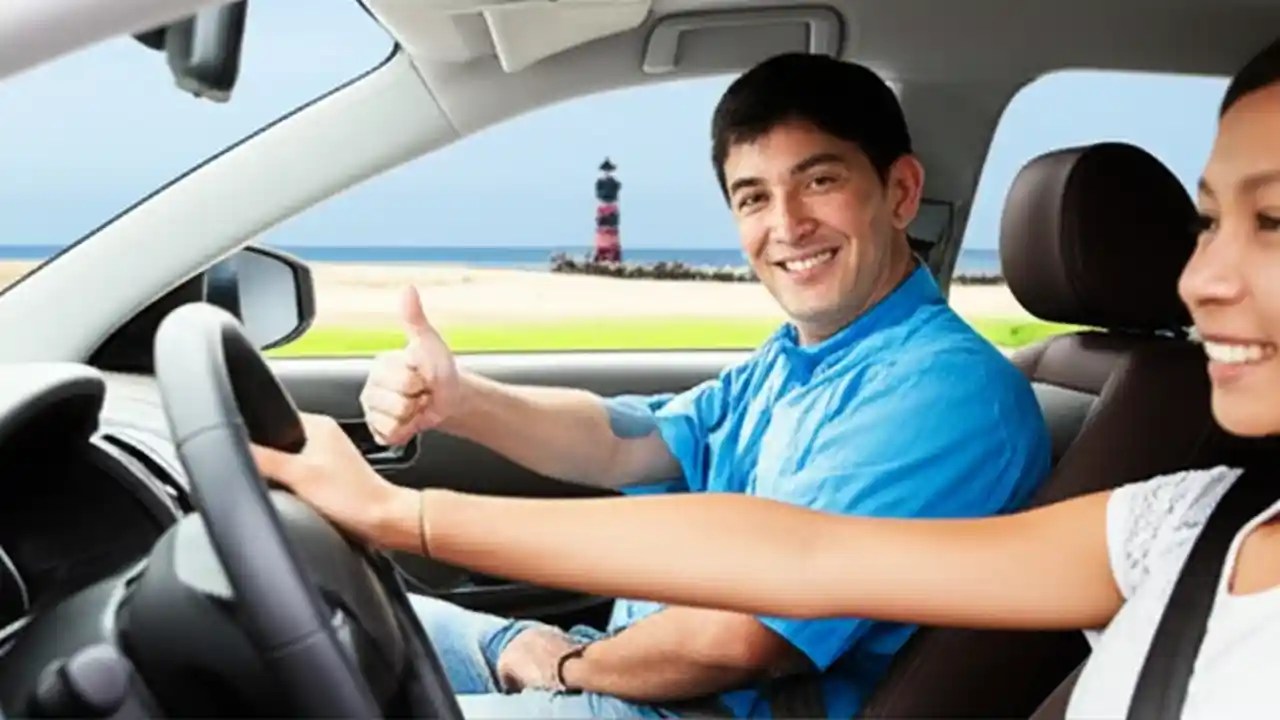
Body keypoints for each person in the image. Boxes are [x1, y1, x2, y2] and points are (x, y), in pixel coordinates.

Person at [254, 38, 1280, 719]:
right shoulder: (1183, 522)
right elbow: (673, 470)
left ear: (898, 192)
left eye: (818, 182)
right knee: (300, 621)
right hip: (612, 679)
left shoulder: (944, 392)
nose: (1200, 276)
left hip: (666, 707)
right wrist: (460, 409)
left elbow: (757, 617)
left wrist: (428, 537)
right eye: (1203, 220)